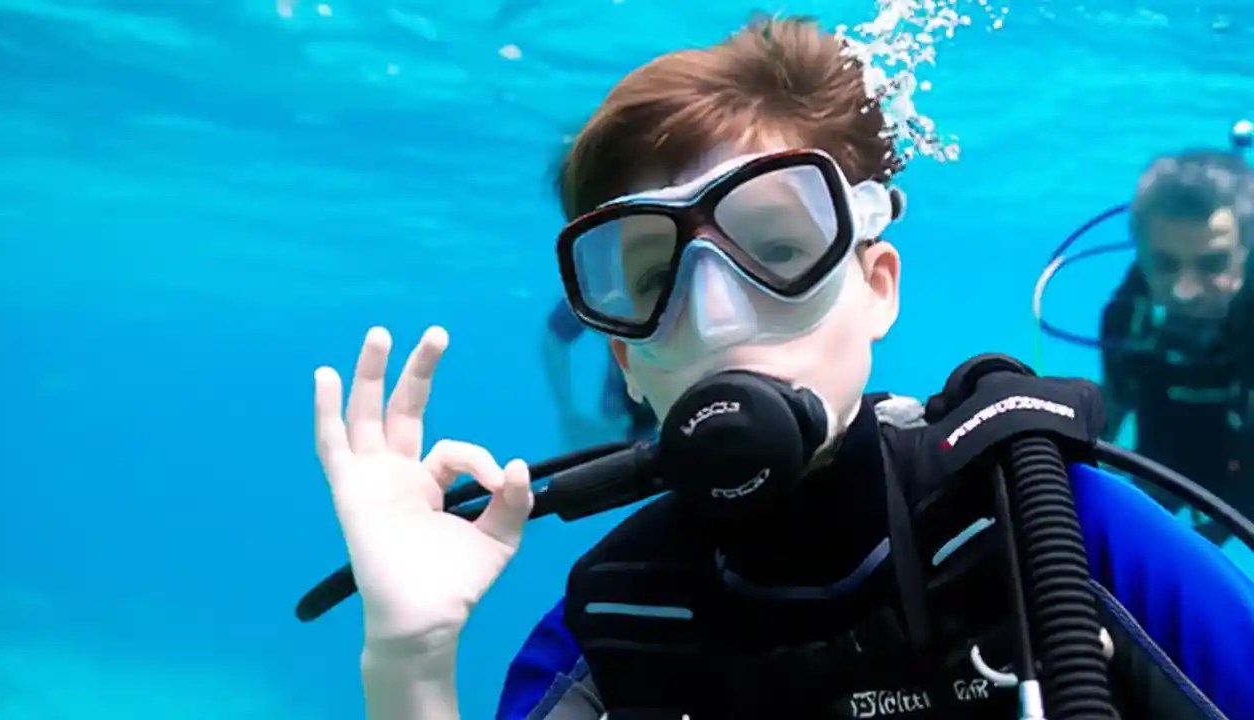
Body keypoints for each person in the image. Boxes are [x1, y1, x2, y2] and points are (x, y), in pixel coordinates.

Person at [306, 16, 1254, 720]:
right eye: (649, 275)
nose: (717, 312)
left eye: (776, 244)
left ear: (878, 283)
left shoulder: (1049, 531)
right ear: (626, 358)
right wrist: (409, 663)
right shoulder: (618, 621)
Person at [1096, 147, 1254, 541]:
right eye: (1165, 264)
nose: (1185, 291)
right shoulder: (1126, 318)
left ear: (1247, 252)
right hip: (1160, 465)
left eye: (1213, 263)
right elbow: (1112, 412)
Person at [543, 298, 659, 448]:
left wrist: (567, 412)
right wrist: (567, 413)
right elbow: (553, 339)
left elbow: (553, 339)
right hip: (624, 411)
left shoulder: (601, 282)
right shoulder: (599, 280)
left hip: (625, 410)